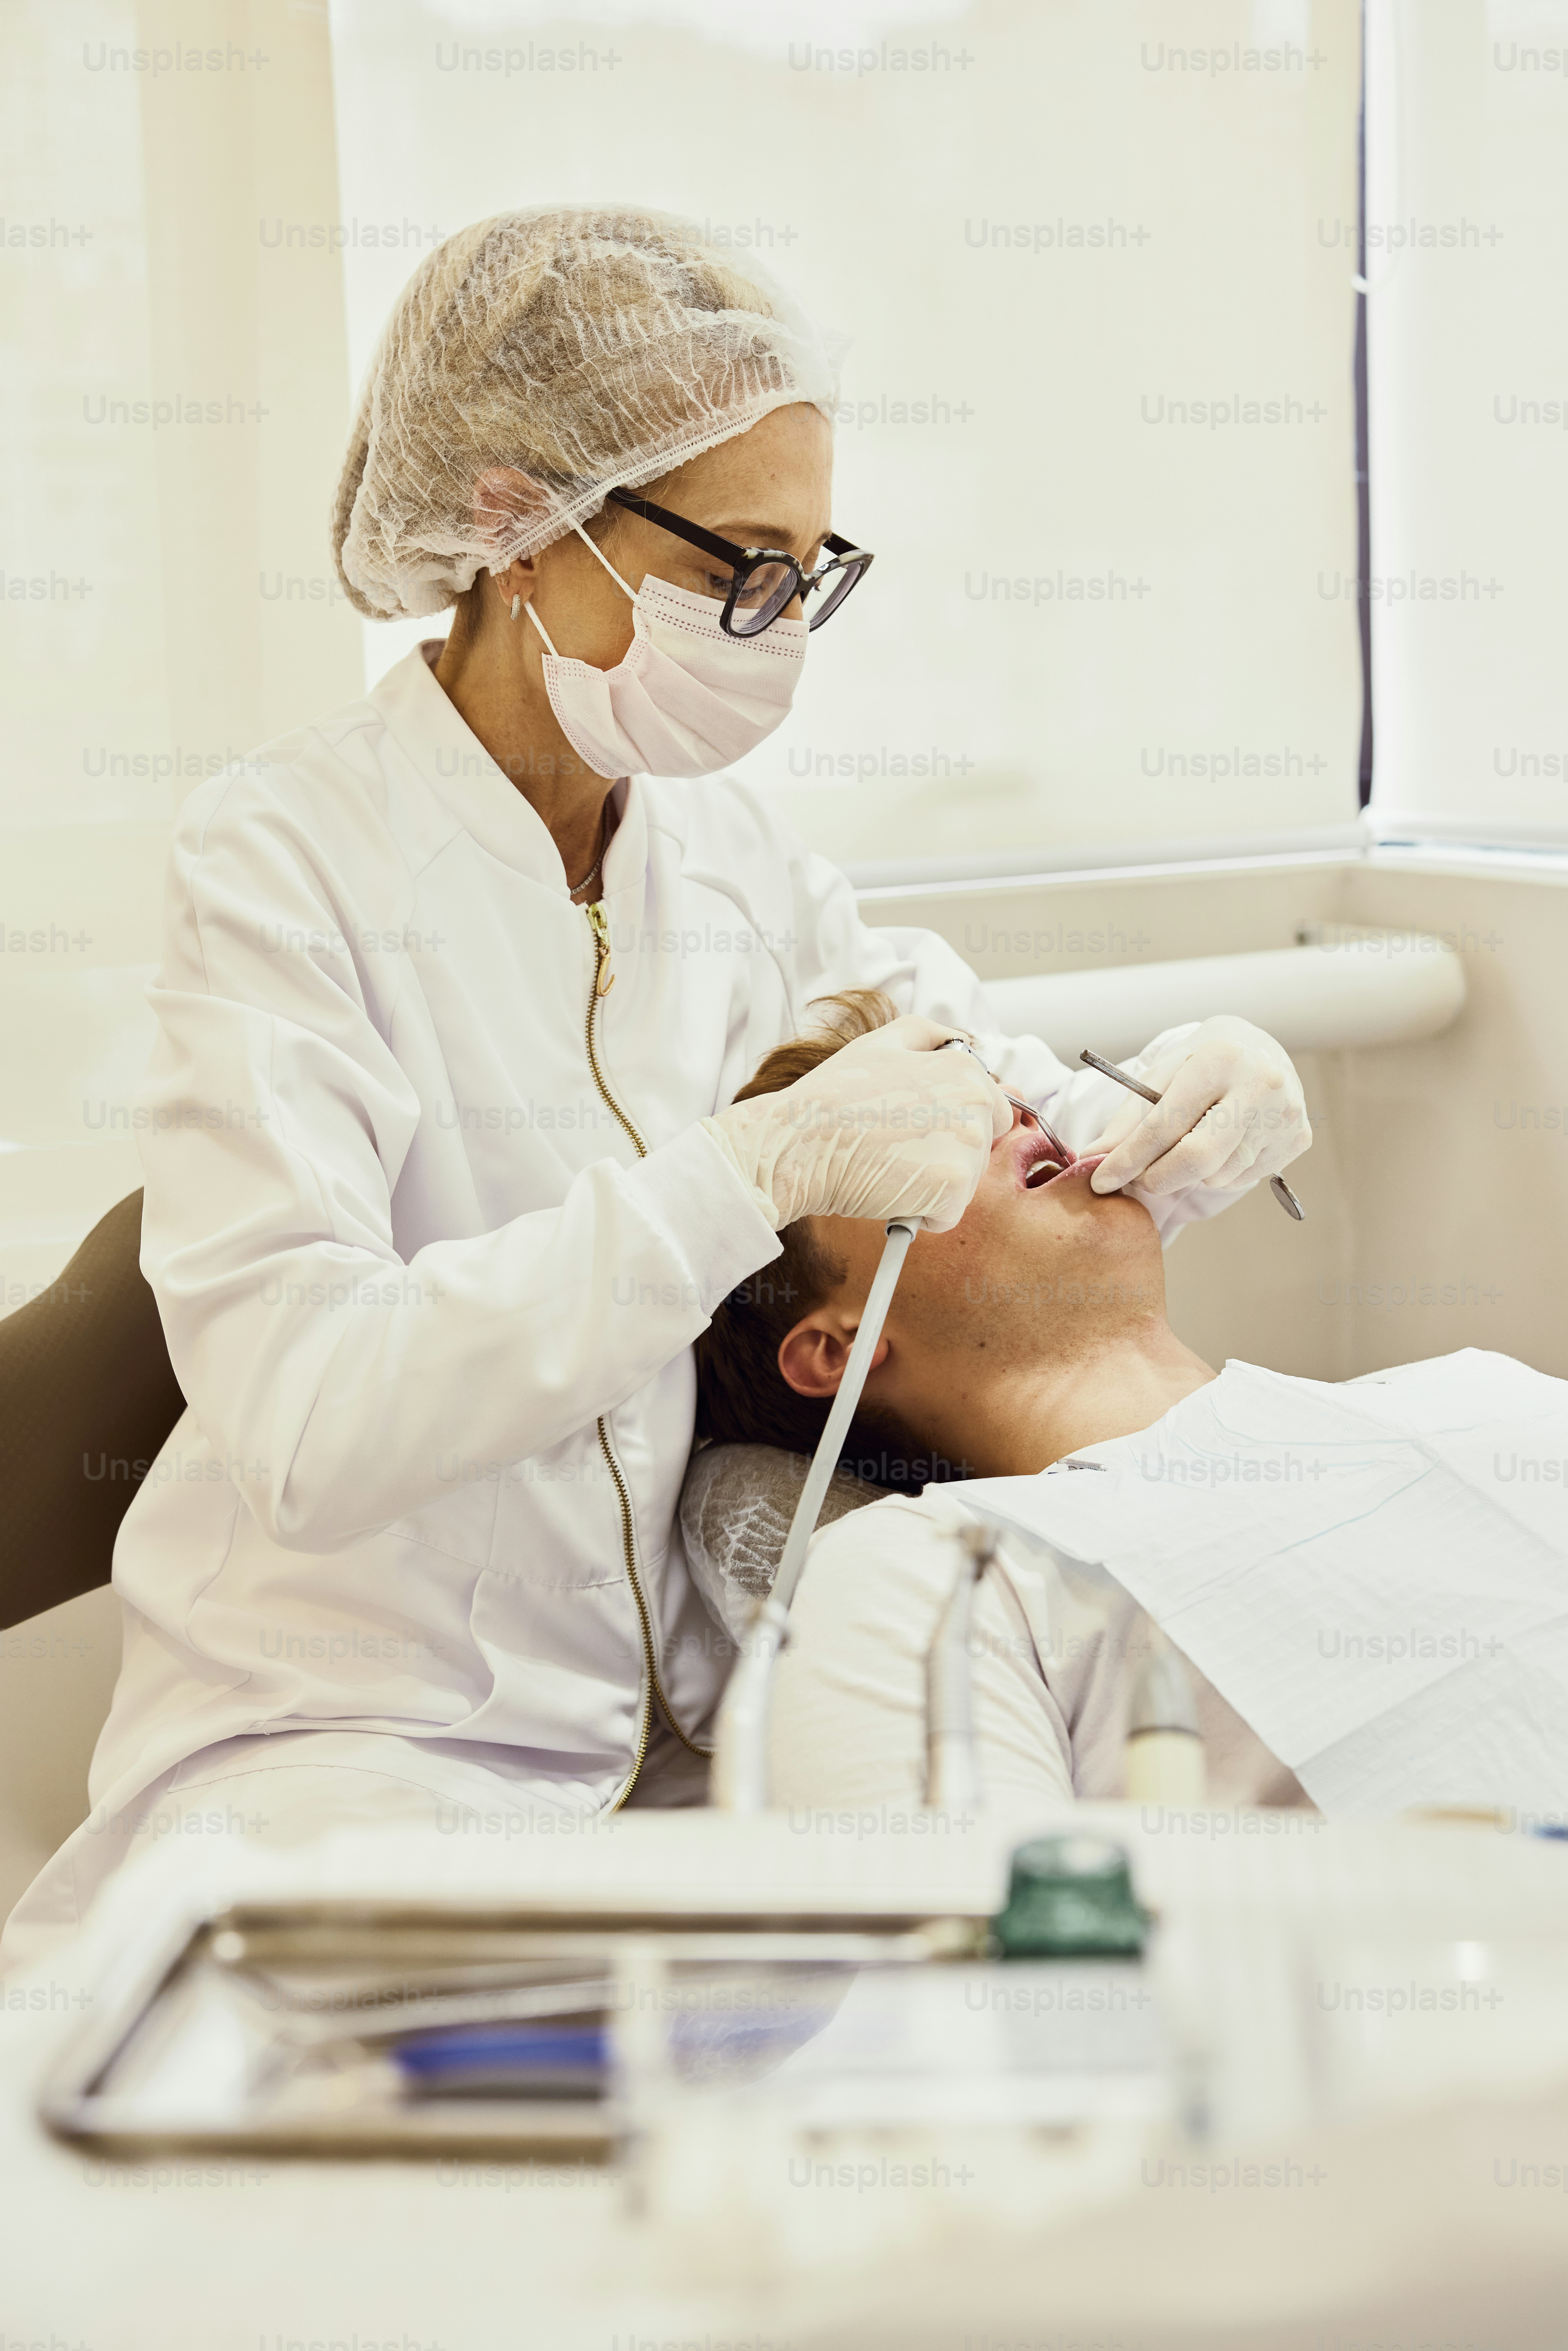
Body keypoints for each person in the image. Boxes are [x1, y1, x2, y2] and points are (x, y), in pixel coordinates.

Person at [2, 208, 1309, 1967]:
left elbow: (955, 1065)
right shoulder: (286, 860)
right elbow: (312, 1421)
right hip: (356, 1750)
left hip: (686, 1753)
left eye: (807, 568)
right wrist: (736, 1171)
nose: (778, 626)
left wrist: (1160, 1112)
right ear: (508, 521)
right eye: (733, 567)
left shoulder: (736, 864)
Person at [693, 991, 1568, 1822]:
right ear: (836, 1346)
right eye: (907, 1129)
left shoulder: (1469, 1392)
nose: (1013, 1111)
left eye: (989, 1091)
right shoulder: (930, 1574)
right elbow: (972, 1954)